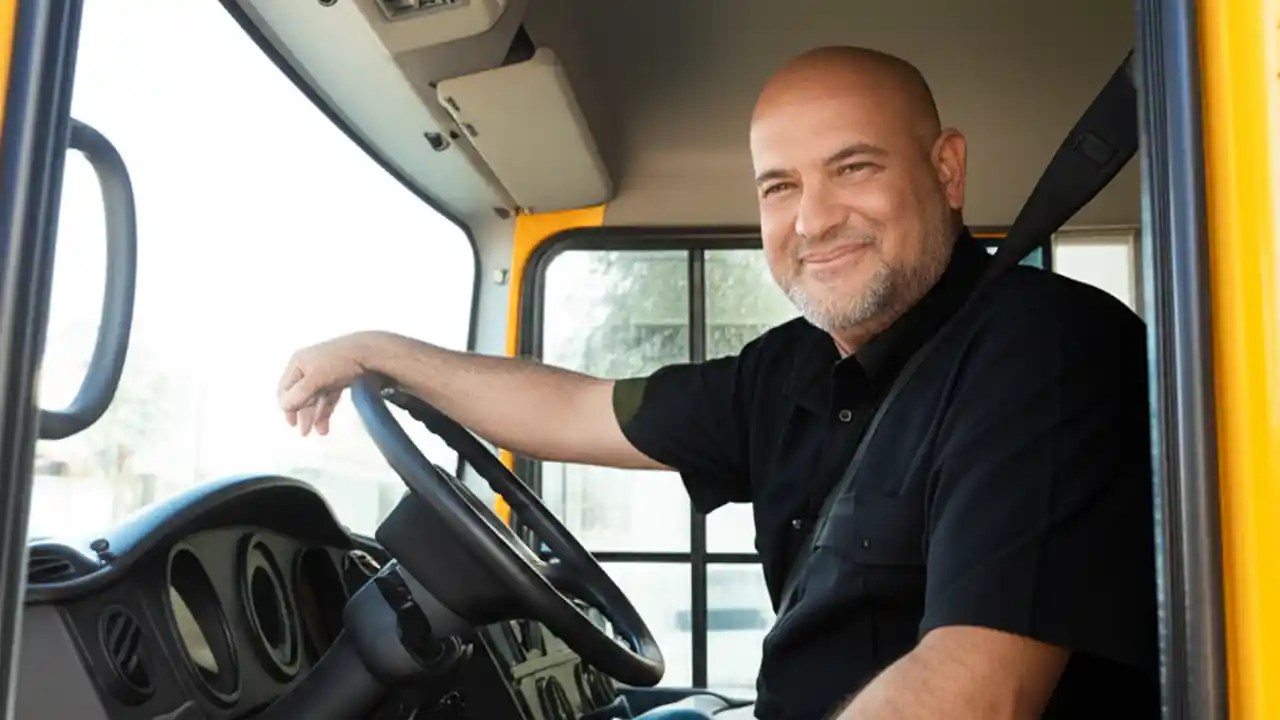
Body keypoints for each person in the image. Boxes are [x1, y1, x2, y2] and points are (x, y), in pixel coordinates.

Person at [277, 47, 1159, 719]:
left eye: (854, 167)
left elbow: (973, 692)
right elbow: (578, 409)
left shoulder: (1047, 353)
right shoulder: (787, 372)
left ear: (947, 169)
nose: (812, 219)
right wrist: (381, 353)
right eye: (781, 186)